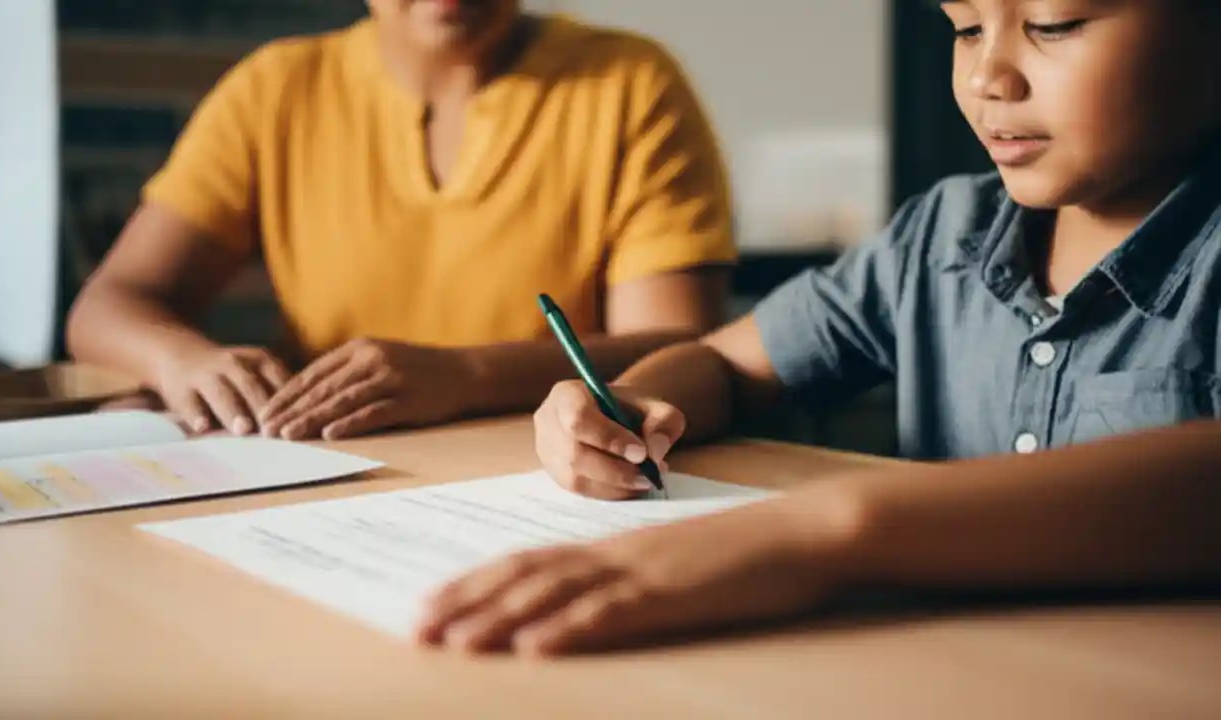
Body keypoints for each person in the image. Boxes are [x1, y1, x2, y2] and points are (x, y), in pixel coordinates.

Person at [416, 0, 1221, 655]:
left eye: (1054, 25)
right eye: (966, 27)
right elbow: (729, 364)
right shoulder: (941, 236)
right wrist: (623, 402)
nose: (988, 75)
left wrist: (829, 529)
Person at [66, 0, 734, 440]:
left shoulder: (631, 83)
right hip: (330, 477)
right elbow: (109, 305)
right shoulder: (274, 90)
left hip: (553, 478)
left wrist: (466, 376)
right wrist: (184, 360)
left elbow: (679, 347)